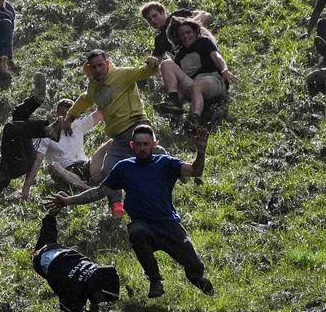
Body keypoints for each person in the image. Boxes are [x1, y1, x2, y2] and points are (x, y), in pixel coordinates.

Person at [53, 126, 214, 299]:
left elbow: (196, 171)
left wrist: (201, 151)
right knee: (136, 232)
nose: (142, 148)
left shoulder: (166, 163)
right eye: (138, 144)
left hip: (169, 224)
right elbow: (99, 192)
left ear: (154, 144)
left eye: (146, 144)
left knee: (195, 265)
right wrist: (68, 201)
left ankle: (197, 280)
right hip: (144, 226)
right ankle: (155, 280)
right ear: (132, 145)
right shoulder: (123, 168)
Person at [64, 49, 160, 181]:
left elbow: (144, 72)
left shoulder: (122, 74)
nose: (98, 70)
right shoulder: (93, 86)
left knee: (154, 162)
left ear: (107, 63)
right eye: (94, 67)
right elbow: (85, 100)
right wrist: (69, 117)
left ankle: (179, 171)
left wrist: (153, 64)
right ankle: (116, 201)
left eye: (100, 65)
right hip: (119, 138)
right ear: (89, 68)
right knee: (109, 173)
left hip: (136, 127)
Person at [30, 211, 121, 312]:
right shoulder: (74, 292)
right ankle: (50, 218)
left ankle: (50, 218)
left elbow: (112, 273)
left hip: (63, 252)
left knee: (48, 240)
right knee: (44, 245)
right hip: (43, 261)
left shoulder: (102, 273)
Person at [164, 19, 237, 131]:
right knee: (166, 64)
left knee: (197, 86)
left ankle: (194, 120)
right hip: (193, 84)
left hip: (213, 80)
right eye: (181, 34)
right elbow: (181, 80)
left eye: (188, 32)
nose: (185, 36)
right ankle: (174, 103)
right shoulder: (179, 55)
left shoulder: (204, 42)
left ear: (194, 32)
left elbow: (216, 56)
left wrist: (224, 69)